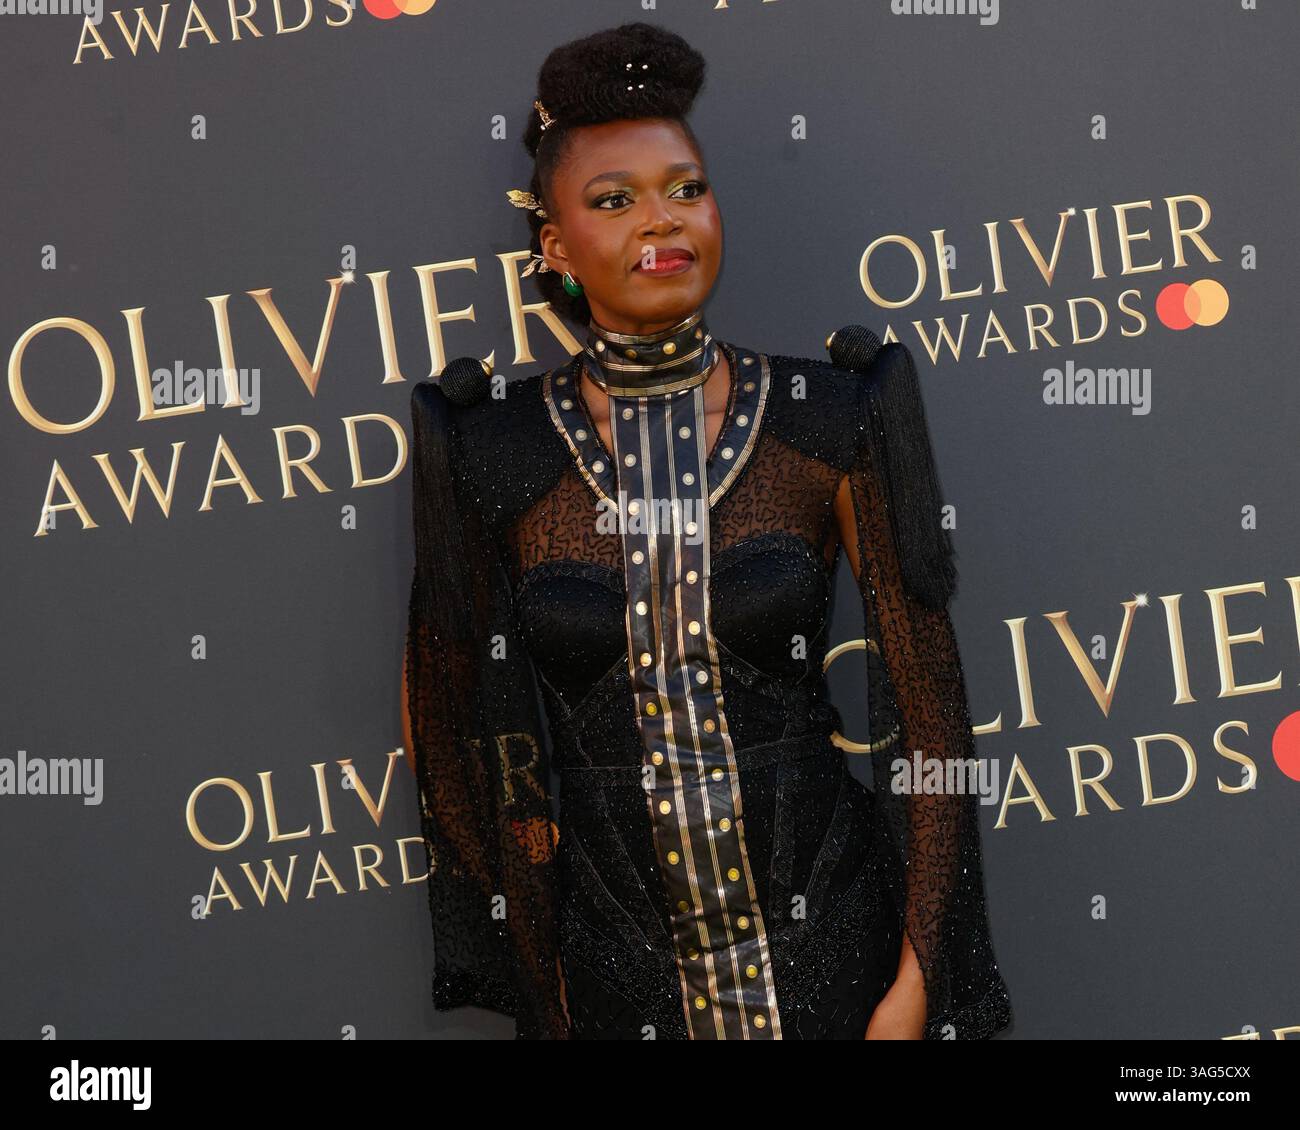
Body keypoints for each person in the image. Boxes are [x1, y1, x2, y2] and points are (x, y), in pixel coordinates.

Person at [402, 20, 1012, 1040]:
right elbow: (446, 724)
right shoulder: (491, 451)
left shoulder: (831, 417)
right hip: (615, 984)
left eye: (685, 187)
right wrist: (542, 961)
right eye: (613, 199)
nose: (661, 220)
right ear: (553, 245)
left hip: (838, 958)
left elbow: (930, 713)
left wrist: (912, 983)